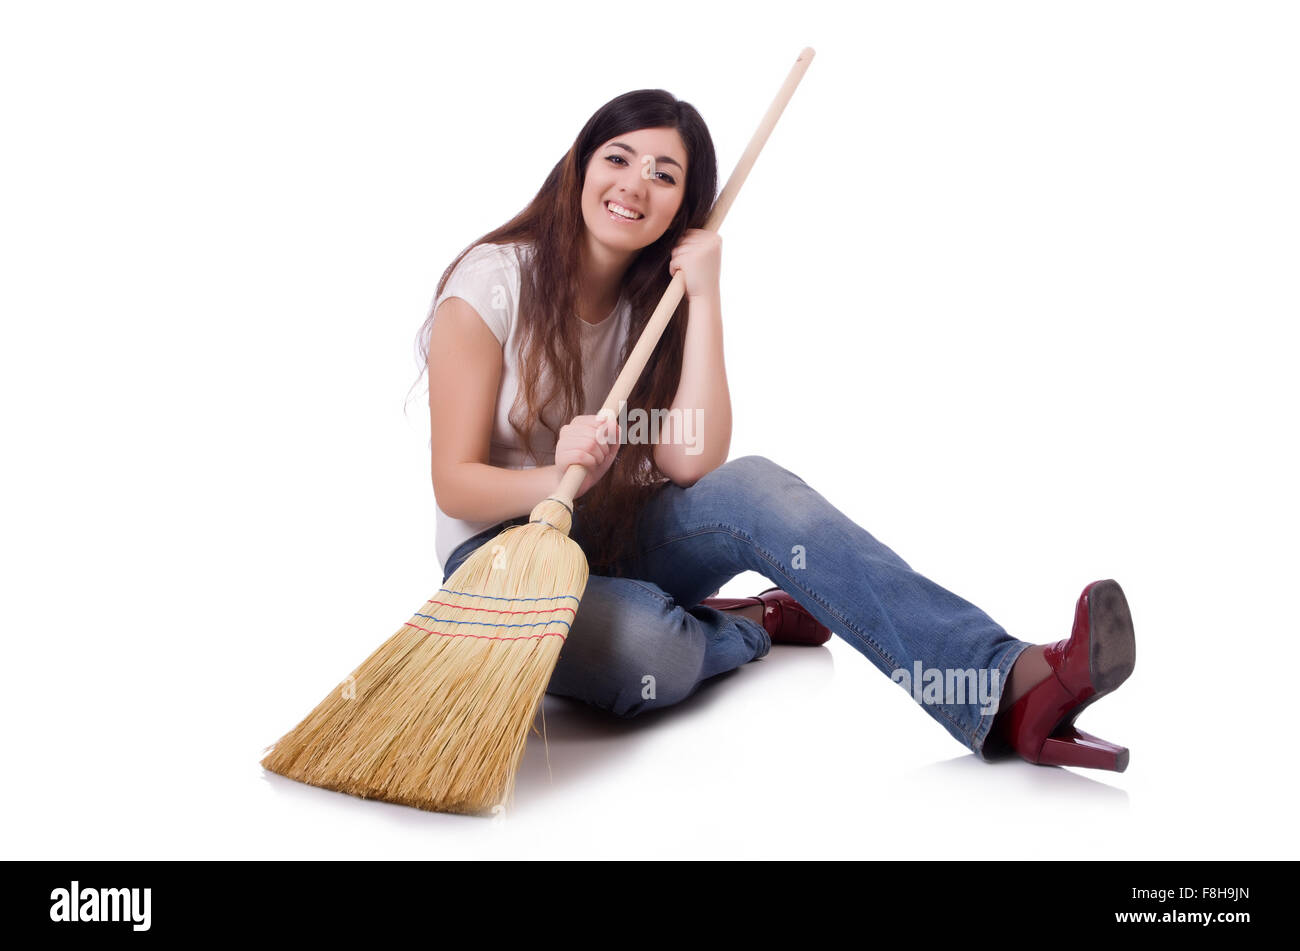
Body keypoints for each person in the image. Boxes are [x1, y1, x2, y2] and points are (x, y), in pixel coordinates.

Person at [409, 89, 1137, 772]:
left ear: (684, 210)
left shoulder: (648, 305)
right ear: (580, 165)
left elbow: (692, 457)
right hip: (499, 564)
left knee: (755, 488)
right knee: (648, 646)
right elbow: (456, 484)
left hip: (607, 533)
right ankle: (751, 622)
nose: (636, 184)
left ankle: (1001, 685)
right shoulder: (491, 285)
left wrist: (705, 295)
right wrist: (552, 474)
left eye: (665, 174)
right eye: (619, 158)